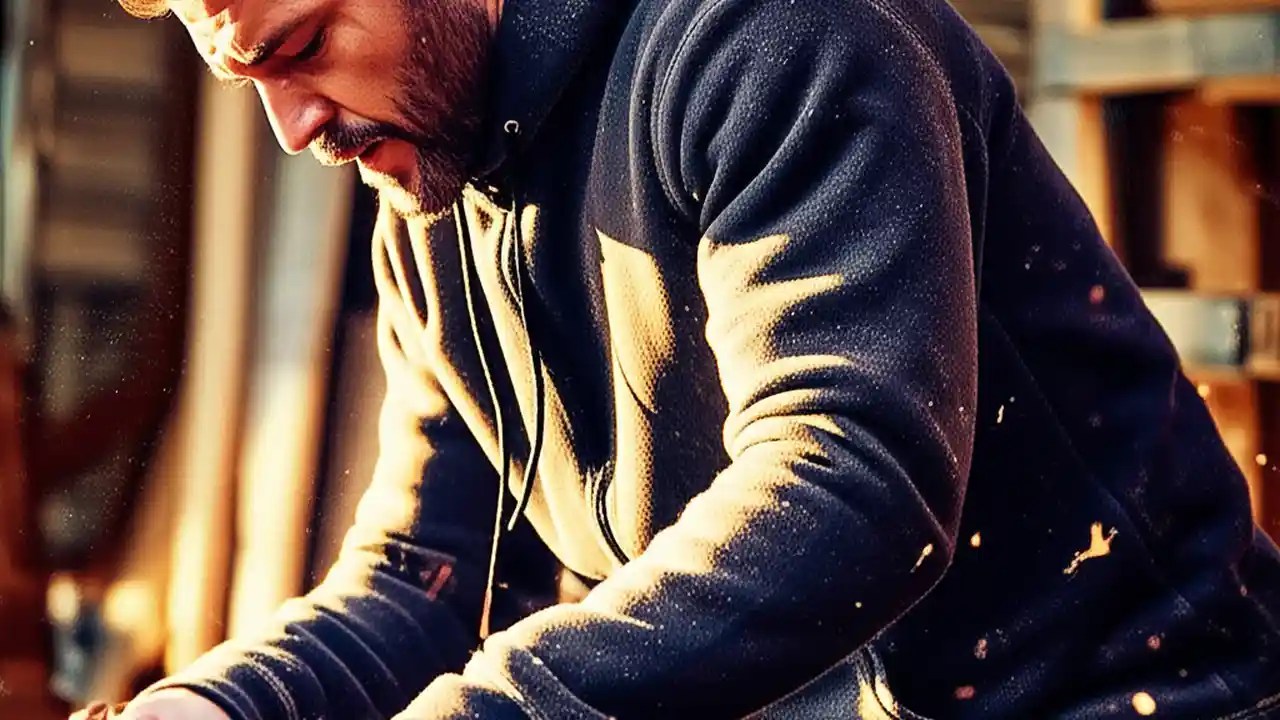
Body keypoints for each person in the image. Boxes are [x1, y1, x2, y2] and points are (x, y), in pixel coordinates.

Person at [79, 0, 1280, 717]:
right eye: (249, 79)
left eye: (296, 47)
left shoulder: (767, 35)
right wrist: (216, 703)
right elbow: (427, 577)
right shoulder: (434, 206)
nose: (291, 130)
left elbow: (852, 484)